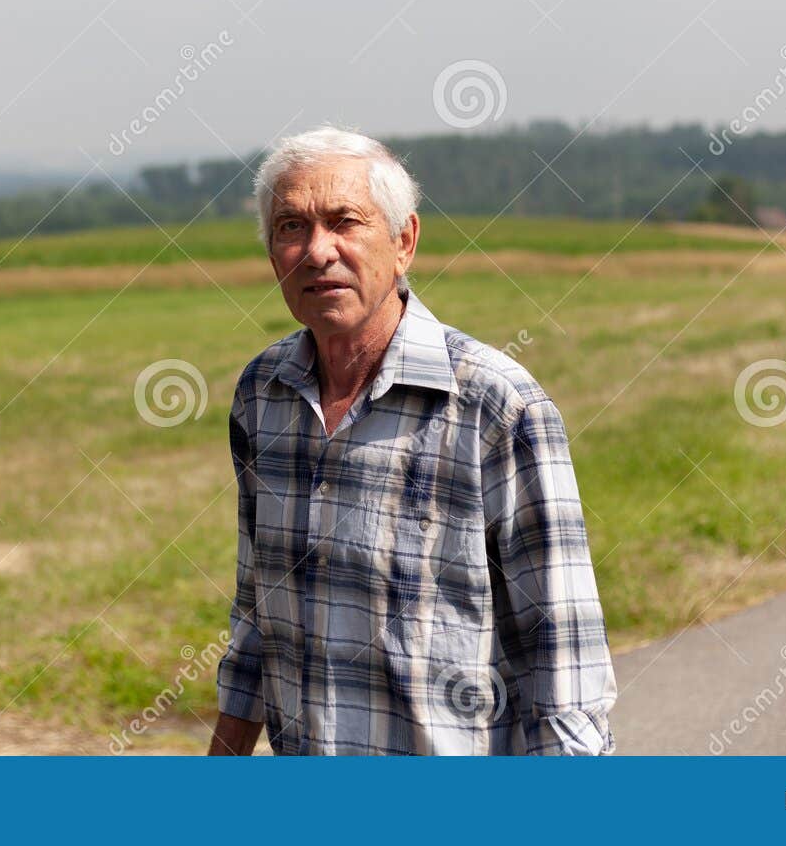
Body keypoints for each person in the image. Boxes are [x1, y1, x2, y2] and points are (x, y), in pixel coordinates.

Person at [208, 125, 616, 755]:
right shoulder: (263, 395)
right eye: (291, 227)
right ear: (271, 252)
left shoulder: (495, 403)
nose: (318, 251)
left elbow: (564, 659)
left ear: (404, 242)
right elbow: (257, 615)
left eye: (345, 222)